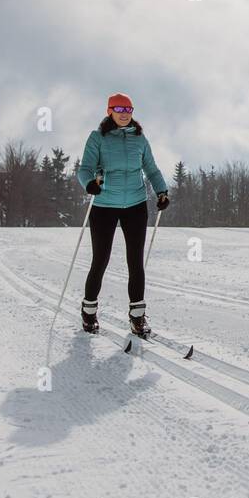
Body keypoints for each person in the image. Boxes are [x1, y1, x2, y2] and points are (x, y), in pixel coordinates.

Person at [76, 93, 169, 338]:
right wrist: (89, 184)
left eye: (128, 109)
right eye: (118, 109)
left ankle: (137, 318)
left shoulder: (140, 138)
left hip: (136, 205)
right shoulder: (98, 137)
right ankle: (89, 311)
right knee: (101, 260)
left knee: (136, 263)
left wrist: (162, 191)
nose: (124, 113)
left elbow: (151, 168)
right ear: (110, 111)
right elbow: (84, 168)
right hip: (104, 204)